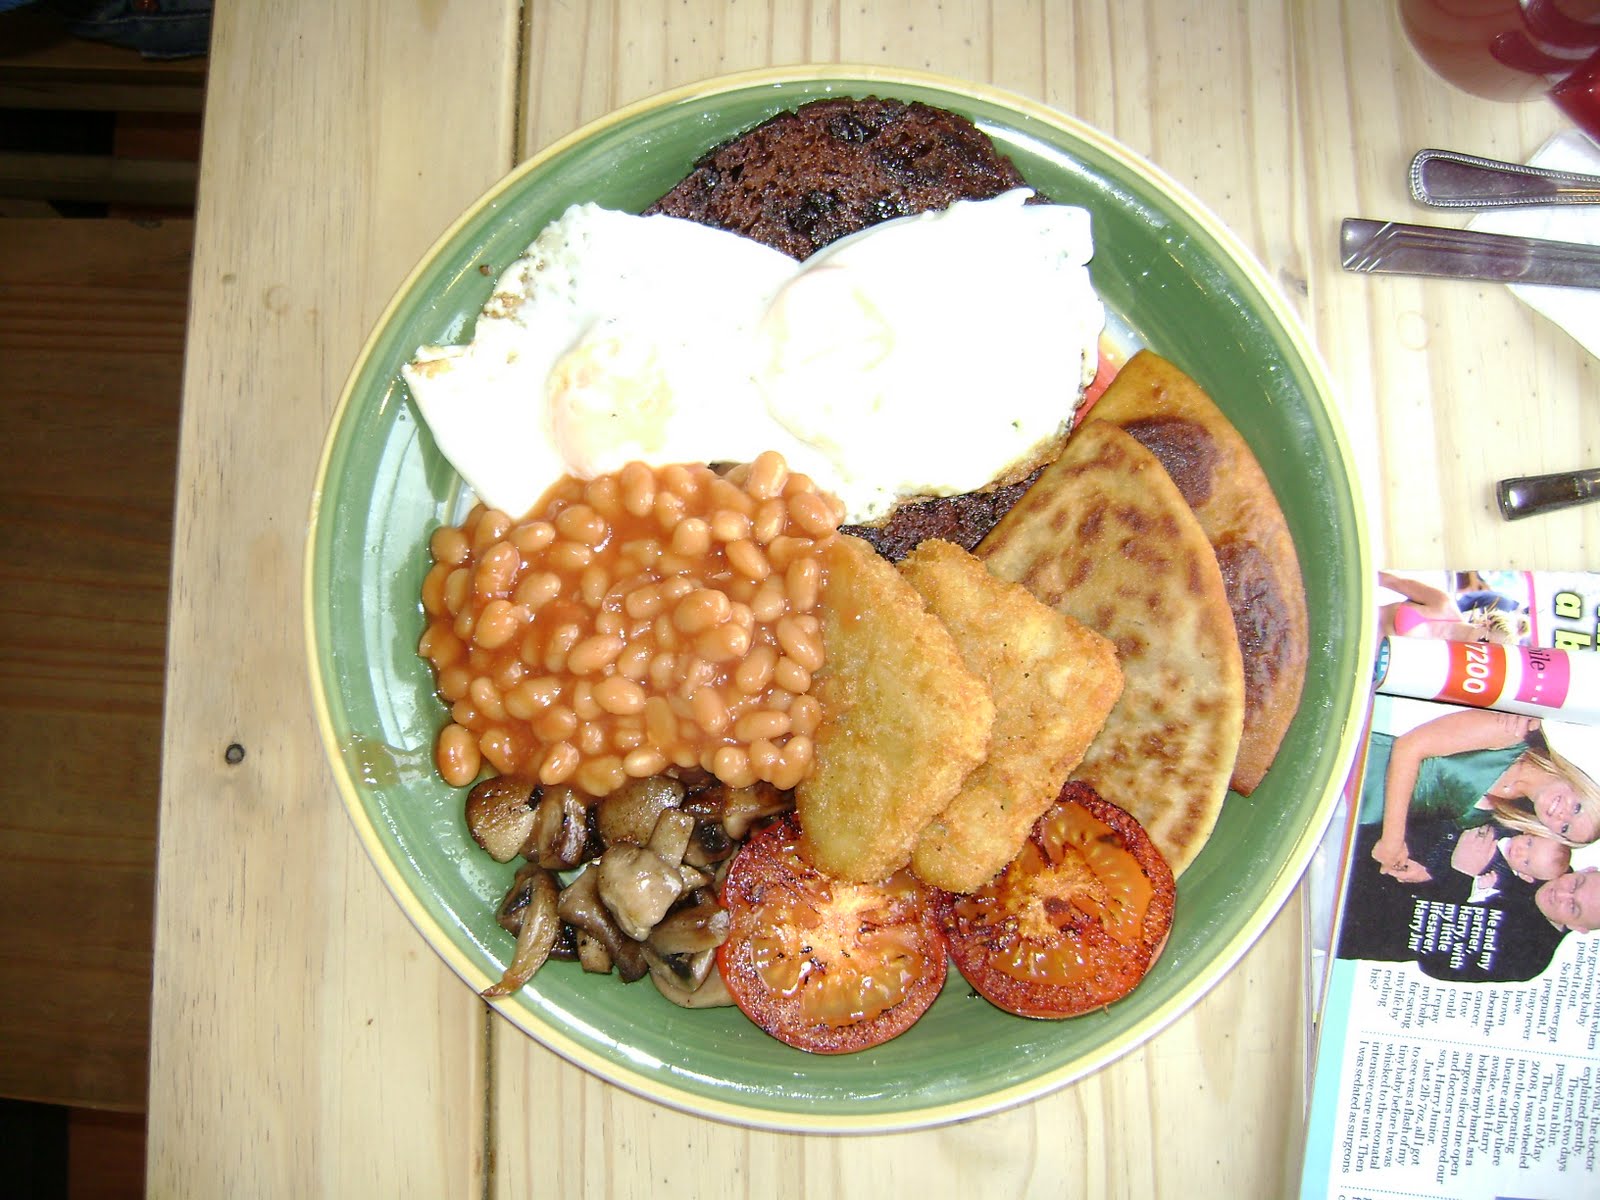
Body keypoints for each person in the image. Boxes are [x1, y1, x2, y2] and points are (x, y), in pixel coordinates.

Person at [1362, 709, 1600, 879]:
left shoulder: (1507, 814)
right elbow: (1409, 747)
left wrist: (1418, 868)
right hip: (1366, 754)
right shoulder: (1515, 733)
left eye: (1565, 828)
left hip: (1362, 808)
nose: (1562, 815)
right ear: (1580, 784)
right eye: (1577, 807)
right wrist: (1393, 837)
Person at [1336, 866, 1600, 984]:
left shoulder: (1531, 957)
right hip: (1363, 864)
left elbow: (1436, 966)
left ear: (1580, 929)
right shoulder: (1540, 853)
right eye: (1575, 884)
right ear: (1585, 870)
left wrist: (1461, 880)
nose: (1562, 895)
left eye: (1573, 907)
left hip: (1356, 931)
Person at [1377, 571, 1519, 645]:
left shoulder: (1447, 666)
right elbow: (1393, 582)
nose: (1481, 649)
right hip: (1361, 618)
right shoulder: (1444, 603)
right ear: (1487, 623)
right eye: (1485, 641)